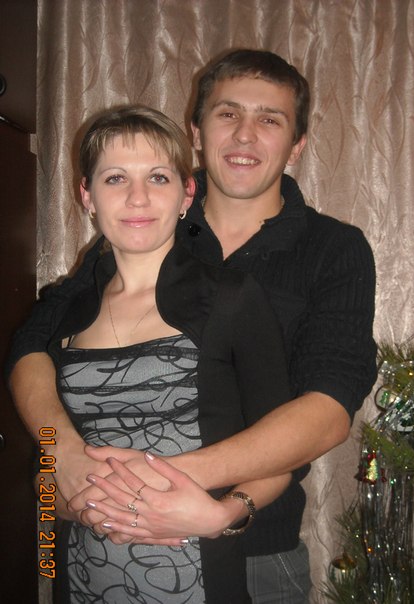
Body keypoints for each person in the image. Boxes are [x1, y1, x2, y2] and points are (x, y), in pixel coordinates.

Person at [7, 49, 377, 602]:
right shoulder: (144, 224)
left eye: (269, 119)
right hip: (100, 548)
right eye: (228, 114)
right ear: (197, 132)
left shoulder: (333, 249)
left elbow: (328, 409)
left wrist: (180, 487)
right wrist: (61, 458)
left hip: (256, 548)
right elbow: (32, 343)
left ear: (297, 144)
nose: (245, 135)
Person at [36, 104, 296, 603]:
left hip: (197, 581)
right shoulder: (64, 311)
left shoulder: (232, 298)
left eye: (157, 177)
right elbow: (46, 454)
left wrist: (226, 513)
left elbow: (280, 454)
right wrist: (60, 505)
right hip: (79, 580)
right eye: (115, 178)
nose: (137, 197)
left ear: (186, 194)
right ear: (87, 195)